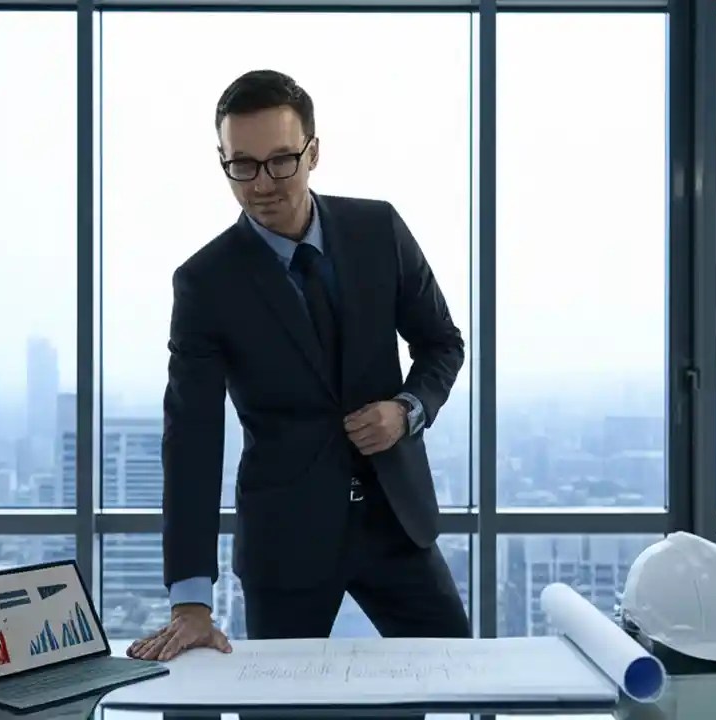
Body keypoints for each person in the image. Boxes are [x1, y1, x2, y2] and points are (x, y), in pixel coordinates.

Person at [128, 69, 470, 662]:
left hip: (397, 521)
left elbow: (442, 343)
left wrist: (406, 411)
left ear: (314, 153)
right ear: (223, 161)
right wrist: (190, 601)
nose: (263, 183)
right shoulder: (206, 283)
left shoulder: (378, 230)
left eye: (282, 160)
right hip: (285, 539)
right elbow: (192, 438)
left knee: (457, 671)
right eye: (244, 164)